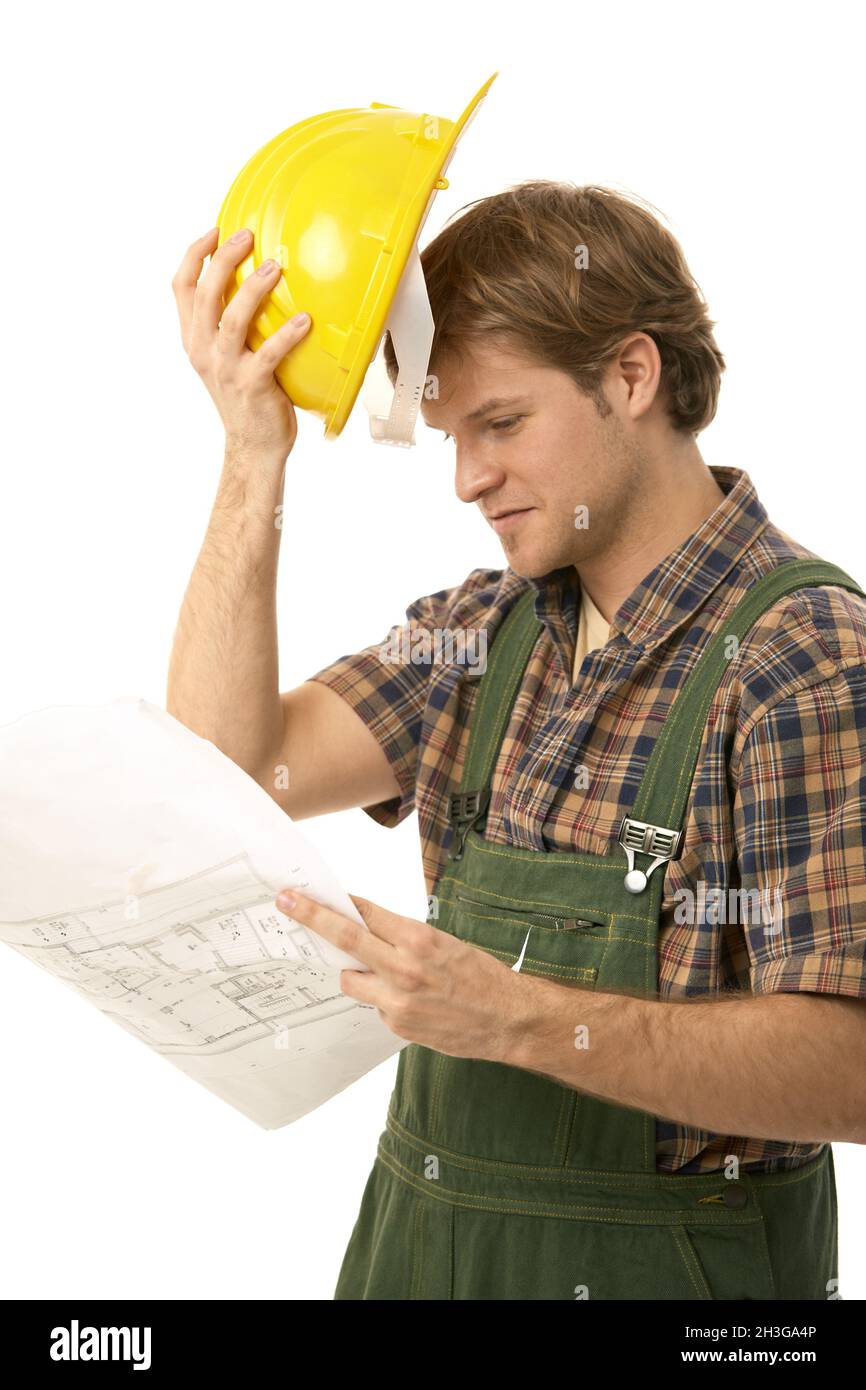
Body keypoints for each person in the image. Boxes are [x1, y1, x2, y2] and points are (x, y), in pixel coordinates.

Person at [169, 182, 866, 1300]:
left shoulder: (802, 657)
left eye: (499, 424)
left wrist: (522, 1018)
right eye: (451, 435)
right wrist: (254, 456)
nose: (465, 479)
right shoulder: (478, 634)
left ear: (629, 376)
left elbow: (853, 1069)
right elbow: (222, 771)